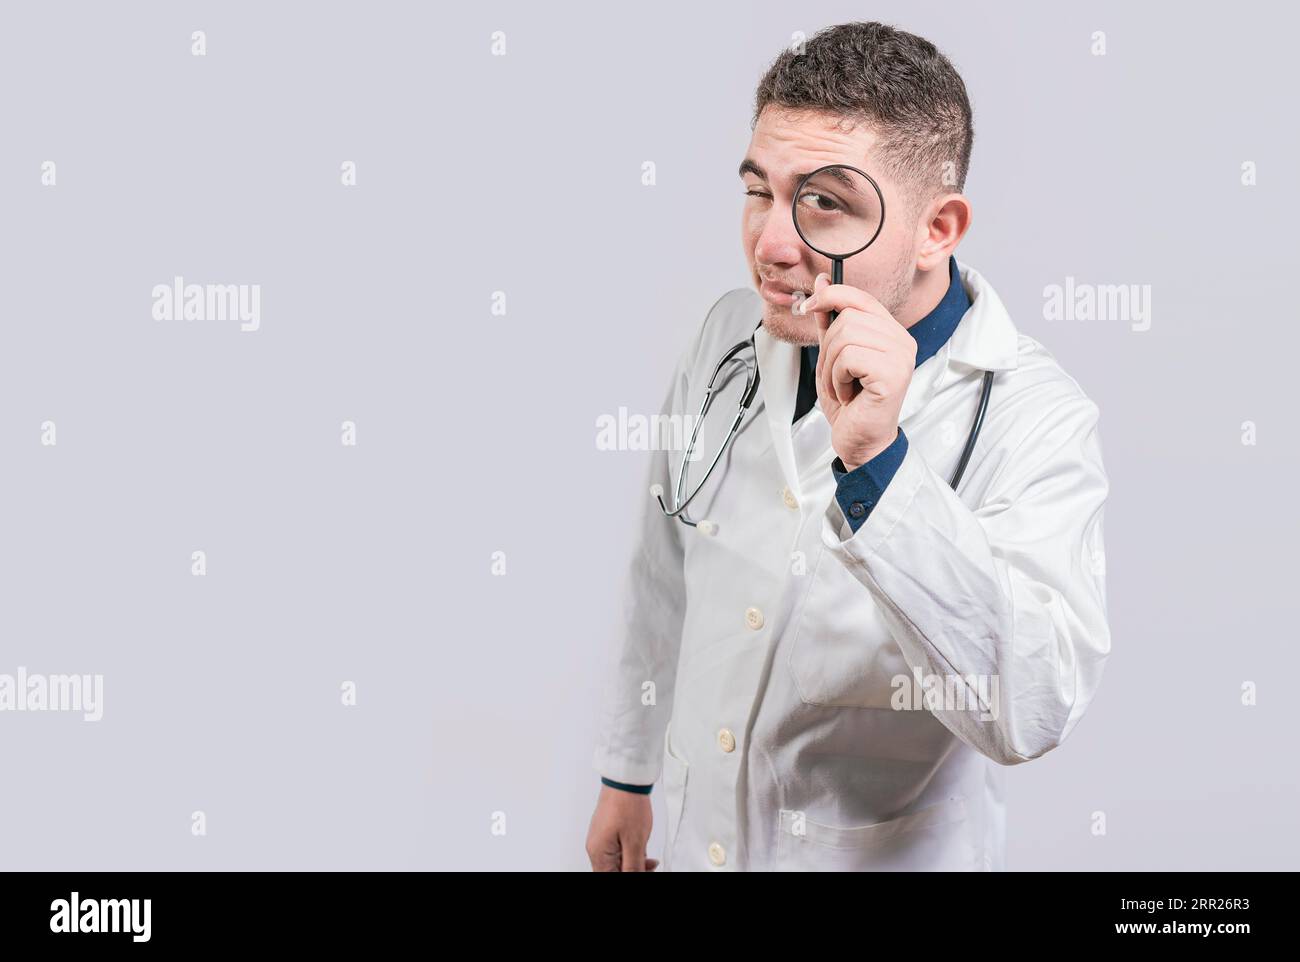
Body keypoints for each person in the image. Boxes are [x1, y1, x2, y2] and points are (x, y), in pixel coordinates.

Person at [586, 21, 1110, 872]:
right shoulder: (726, 336)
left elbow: (1033, 710)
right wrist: (628, 773)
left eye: (825, 201)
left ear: (938, 227)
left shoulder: (1035, 414)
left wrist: (883, 469)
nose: (771, 243)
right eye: (760, 190)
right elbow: (662, 568)